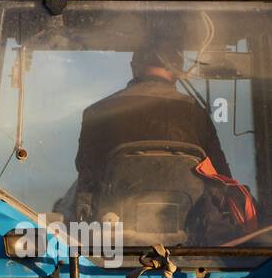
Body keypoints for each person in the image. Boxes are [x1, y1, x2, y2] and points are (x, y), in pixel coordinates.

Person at [73, 44, 233, 215]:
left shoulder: (97, 112)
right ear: (178, 71)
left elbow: (87, 175)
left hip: (114, 229)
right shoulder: (196, 112)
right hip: (193, 229)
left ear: (134, 68)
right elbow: (221, 177)